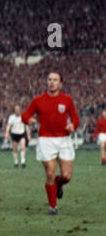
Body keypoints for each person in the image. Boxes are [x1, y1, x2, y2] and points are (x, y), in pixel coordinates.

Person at [21, 70, 80, 215]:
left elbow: (75, 119)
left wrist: (72, 126)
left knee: (66, 176)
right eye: (49, 79)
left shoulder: (67, 100)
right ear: (47, 82)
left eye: (55, 80)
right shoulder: (38, 100)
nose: (52, 82)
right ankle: (53, 207)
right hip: (45, 140)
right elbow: (25, 115)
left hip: (64, 139)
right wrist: (28, 120)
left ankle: (59, 185)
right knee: (50, 173)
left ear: (60, 83)